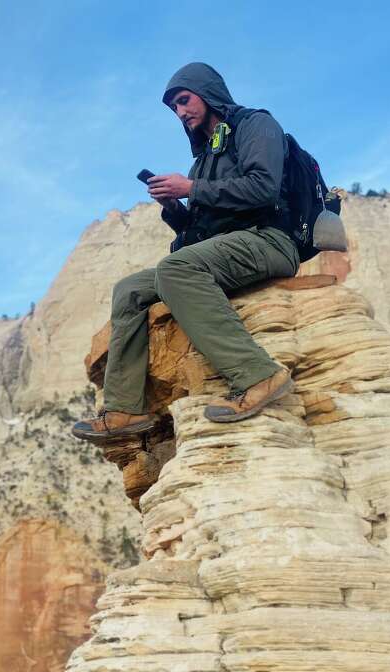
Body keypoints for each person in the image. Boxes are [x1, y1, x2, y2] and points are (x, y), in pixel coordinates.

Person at [72, 62, 300, 442]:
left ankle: (258, 375)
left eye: (184, 100)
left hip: (269, 240)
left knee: (175, 269)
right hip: (228, 247)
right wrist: (175, 207)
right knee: (129, 291)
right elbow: (199, 231)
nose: (181, 112)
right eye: (174, 108)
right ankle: (125, 409)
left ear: (208, 93)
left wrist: (190, 188)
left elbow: (263, 188)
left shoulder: (255, 125)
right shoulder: (206, 156)